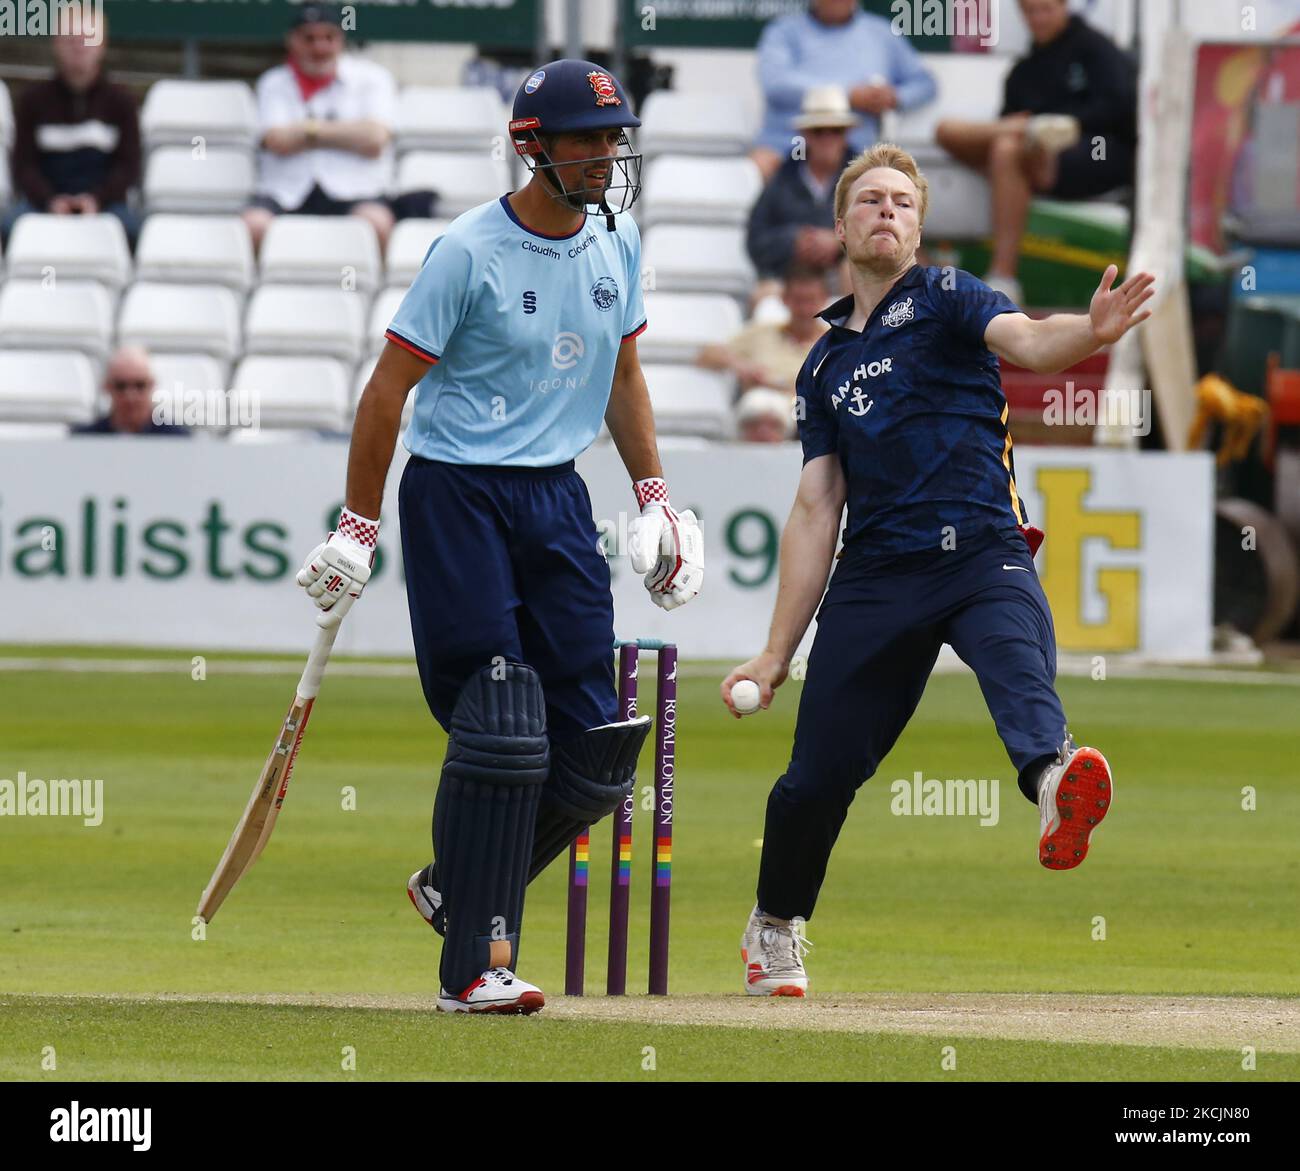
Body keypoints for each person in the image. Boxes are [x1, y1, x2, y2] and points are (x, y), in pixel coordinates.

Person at [296, 60, 705, 1015]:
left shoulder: (619, 240)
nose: (608, 155)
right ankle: (474, 965)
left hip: (557, 500)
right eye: (588, 139)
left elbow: (624, 376)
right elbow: (386, 391)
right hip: (458, 495)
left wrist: (654, 496)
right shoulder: (468, 251)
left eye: (615, 138)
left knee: (598, 747)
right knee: (501, 715)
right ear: (533, 147)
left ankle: (457, 885)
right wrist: (358, 524)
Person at [720, 143, 1152, 996]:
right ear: (841, 225)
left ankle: (1056, 780)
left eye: (904, 202)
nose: (888, 210)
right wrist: (775, 654)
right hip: (877, 576)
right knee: (816, 779)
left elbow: (1028, 340)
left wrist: (1089, 334)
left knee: (1017, 668)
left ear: (918, 227)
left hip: (984, 547)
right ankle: (773, 925)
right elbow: (817, 508)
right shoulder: (822, 368)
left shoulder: (948, 294)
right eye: (871, 199)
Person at [935, 0, 1138, 303]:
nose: (1039, 18)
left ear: (1063, 6)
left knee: (1005, 149)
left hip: (1095, 159)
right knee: (952, 133)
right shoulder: (1023, 71)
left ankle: (1003, 275)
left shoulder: (1096, 49)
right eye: (1031, 11)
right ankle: (1018, 131)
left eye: (1046, 9)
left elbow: (1120, 108)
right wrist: (1024, 129)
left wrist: (1067, 126)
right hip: (1024, 155)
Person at [244, 4, 398, 252]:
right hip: (287, 192)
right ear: (291, 41)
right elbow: (277, 141)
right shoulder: (273, 82)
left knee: (376, 222)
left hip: (356, 190)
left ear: (341, 40)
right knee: (253, 224)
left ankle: (371, 288)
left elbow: (375, 139)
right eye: (309, 38)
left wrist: (307, 132)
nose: (320, 47)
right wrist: (347, 134)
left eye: (329, 37)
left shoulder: (373, 78)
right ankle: (261, 288)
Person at [752, 0, 936, 181]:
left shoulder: (880, 33)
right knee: (755, 171)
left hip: (856, 152)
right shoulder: (783, 31)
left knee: (886, 183)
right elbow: (775, 83)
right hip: (789, 146)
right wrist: (846, 96)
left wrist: (894, 97)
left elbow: (925, 83)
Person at [4, 26, 142, 246]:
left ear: (102, 45)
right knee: (9, 227)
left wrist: (96, 200)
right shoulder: (32, 100)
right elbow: (23, 165)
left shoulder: (122, 101)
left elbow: (128, 167)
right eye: (70, 40)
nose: (79, 47)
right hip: (42, 201)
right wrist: (50, 201)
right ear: (56, 44)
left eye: (86, 39)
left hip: (106, 203)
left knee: (134, 231)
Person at [746, 87, 855, 295]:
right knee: (763, 296)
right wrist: (794, 240)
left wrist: (840, 242)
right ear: (805, 134)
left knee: (851, 273)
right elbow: (756, 241)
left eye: (836, 130)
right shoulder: (783, 177)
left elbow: (880, 232)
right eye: (818, 131)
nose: (827, 138)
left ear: (846, 134)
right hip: (790, 277)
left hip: (843, 279)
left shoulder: (865, 177)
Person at [697, 265, 830, 395]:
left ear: (824, 300)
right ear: (784, 299)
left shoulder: (837, 343)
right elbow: (707, 355)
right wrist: (741, 366)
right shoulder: (760, 333)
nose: (805, 309)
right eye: (798, 301)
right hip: (763, 408)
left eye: (811, 300)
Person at [72, 347, 188, 436]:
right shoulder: (85, 439)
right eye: (121, 386)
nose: (130, 396)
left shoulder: (178, 440)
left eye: (140, 385)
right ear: (106, 387)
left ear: (152, 385)